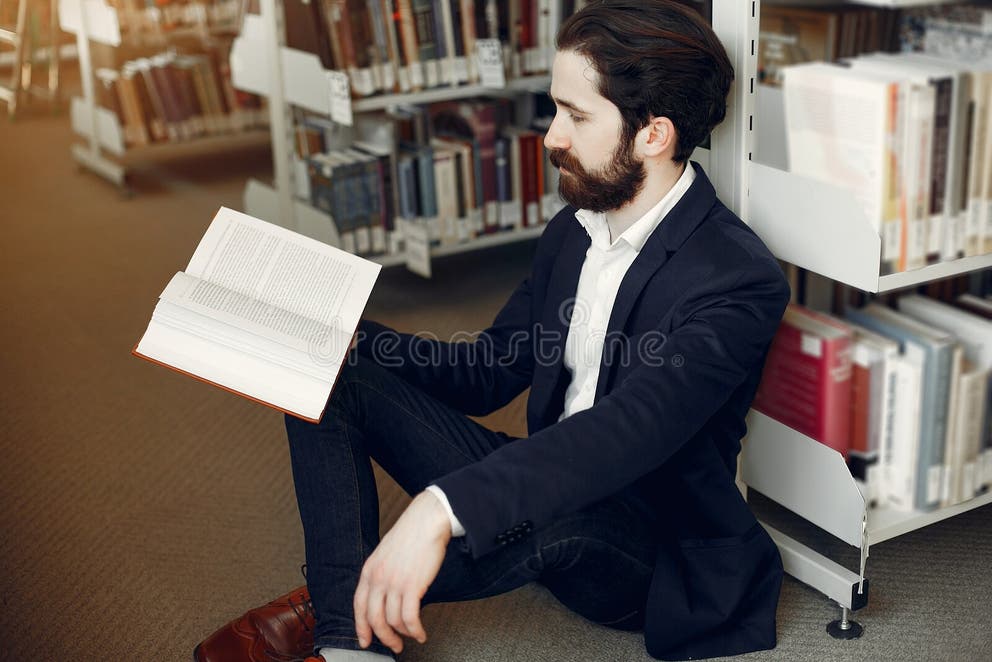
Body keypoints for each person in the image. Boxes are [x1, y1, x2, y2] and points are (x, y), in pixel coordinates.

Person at [195, 1, 790, 660]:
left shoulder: (735, 278)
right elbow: (489, 369)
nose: (552, 137)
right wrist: (354, 337)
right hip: (548, 486)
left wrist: (439, 508)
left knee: (551, 502)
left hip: (648, 547)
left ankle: (334, 606)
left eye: (576, 116)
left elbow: (623, 435)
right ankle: (350, 640)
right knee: (330, 374)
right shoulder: (574, 230)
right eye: (555, 109)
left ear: (654, 135)